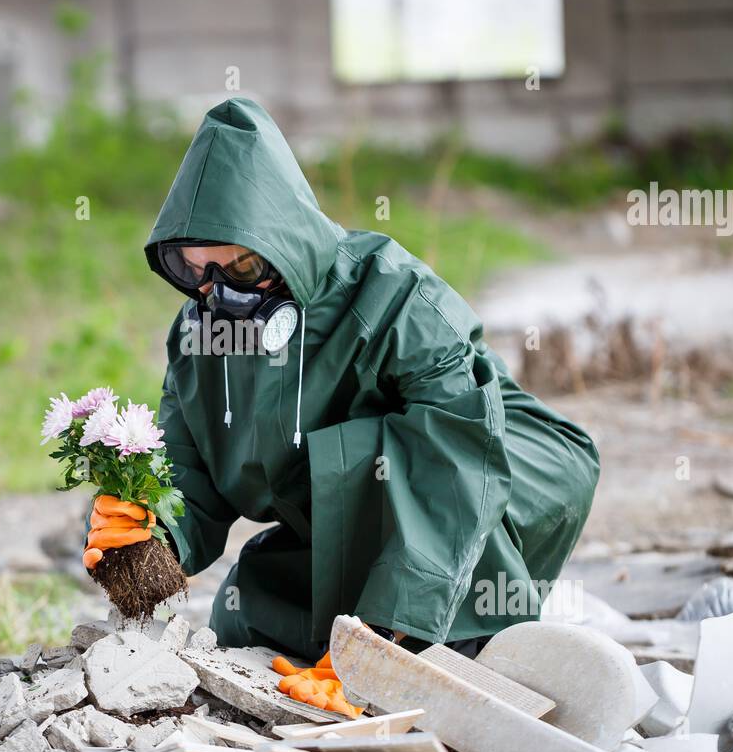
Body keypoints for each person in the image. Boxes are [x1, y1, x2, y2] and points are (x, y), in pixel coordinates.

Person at [86, 98, 600, 710]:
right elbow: (191, 466)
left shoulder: (394, 296)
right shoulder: (201, 333)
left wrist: (381, 642)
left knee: (369, 460)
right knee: (254, 618)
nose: (217, 291)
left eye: (241, 265)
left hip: (503, 461)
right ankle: (360, 626)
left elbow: (455, 458)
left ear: (283, 242)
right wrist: (150, 526)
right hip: (352, 500)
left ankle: (435, 634)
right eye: (193, 267)